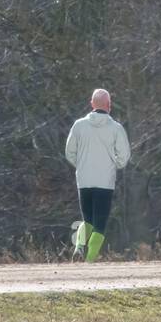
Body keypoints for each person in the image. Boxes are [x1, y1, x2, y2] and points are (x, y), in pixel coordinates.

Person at [65, 88, 131, 262]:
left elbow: (69, 151)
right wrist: (114, 165)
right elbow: (124, 156)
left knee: (87, 220)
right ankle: (89, 260)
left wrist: (80, 165)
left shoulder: (79, 125)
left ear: (91, 103)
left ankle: (79, 246)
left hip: (84, 179)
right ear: (109, 106)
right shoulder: (116, 128)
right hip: (105, 181)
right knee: (99, 223)